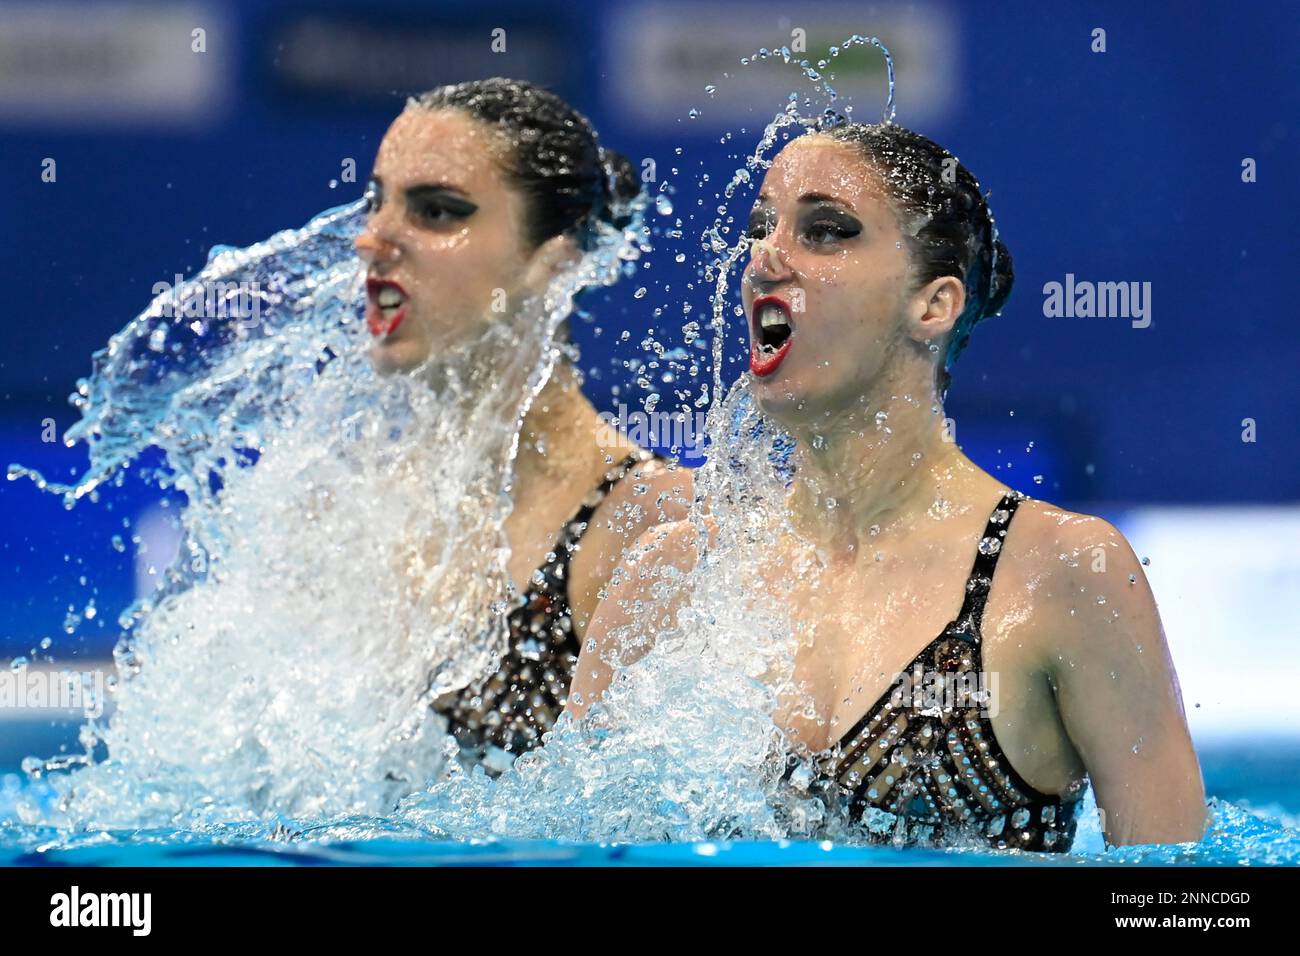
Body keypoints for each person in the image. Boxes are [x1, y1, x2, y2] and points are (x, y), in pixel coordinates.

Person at [569, 121, 1207, 851]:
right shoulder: (675, 576)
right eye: (760, 227)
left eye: (826, 231)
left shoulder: (1062, 573)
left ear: (933, 305)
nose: (764, 258)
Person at [354, 78, 691, 772]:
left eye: (437, 212)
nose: (373, 239)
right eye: (375, 201)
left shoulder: (646, 532)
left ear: (552, 263)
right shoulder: (359, 508)